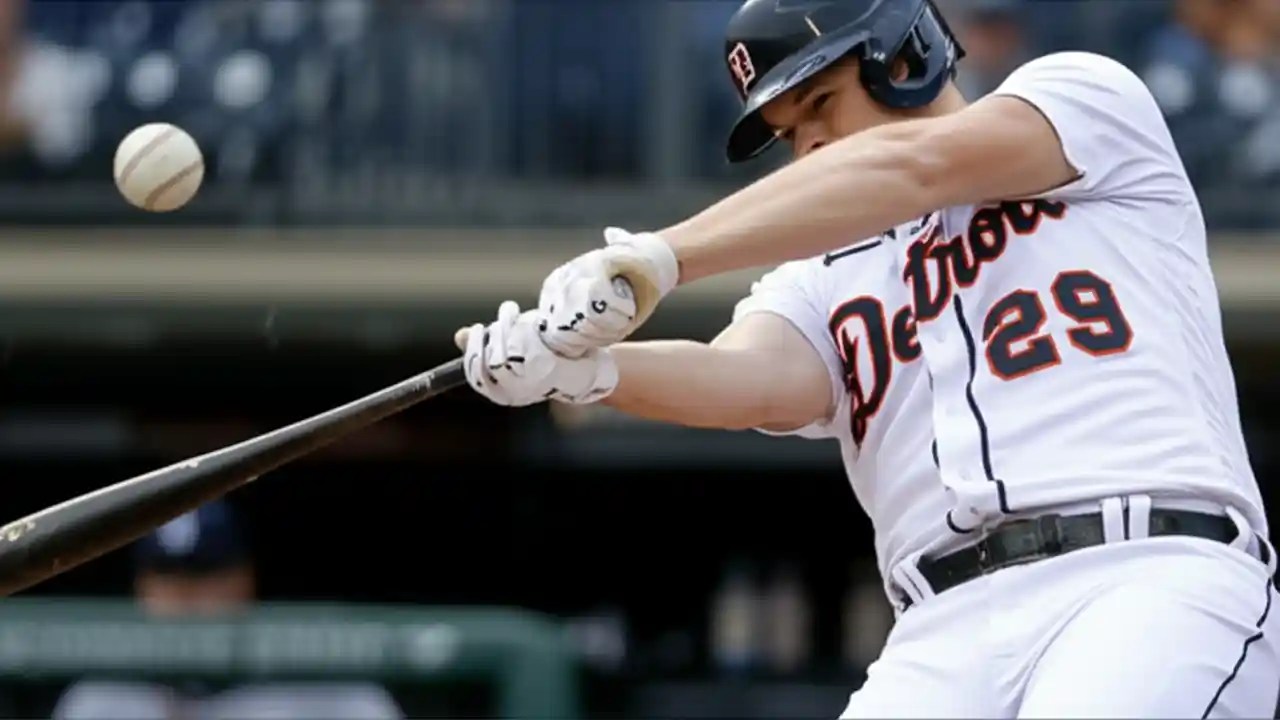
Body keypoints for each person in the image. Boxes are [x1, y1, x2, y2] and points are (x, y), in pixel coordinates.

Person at [457, 0, 1280, 716]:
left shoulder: (1084, 101)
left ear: (908, 56)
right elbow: (754, 378)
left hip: (1139, 577)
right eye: (787, 131)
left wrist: (658, 259)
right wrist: (589, 371)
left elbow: (915, 165)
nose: (808, 142)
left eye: (820, 101)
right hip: (940, 627)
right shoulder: (823, 269)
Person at [52, 501, 404, 720]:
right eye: (168, 576)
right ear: (140, 586)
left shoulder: (324, 683)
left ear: (244, 579)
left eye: (204, 573)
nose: (185, 596)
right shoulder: (101, 700)